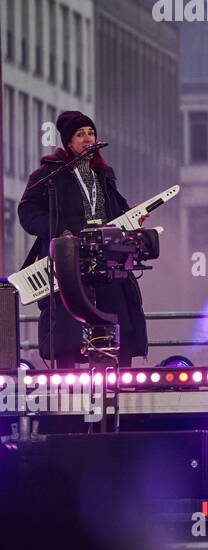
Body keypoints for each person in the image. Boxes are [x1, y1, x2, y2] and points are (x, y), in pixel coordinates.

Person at [17, 111, 150, 367]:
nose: (88, 138)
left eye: (91, 132)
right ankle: (68, 383)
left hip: (106, 258)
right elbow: (27, 211)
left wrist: (132, 218)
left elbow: (118, 210)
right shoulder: (49, 174)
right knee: (67, 322)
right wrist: (58, 230)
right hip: (68, 260)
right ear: (68, 142)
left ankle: (117, 378)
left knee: (117, 313)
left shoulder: (103, 174)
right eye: (80, 134)